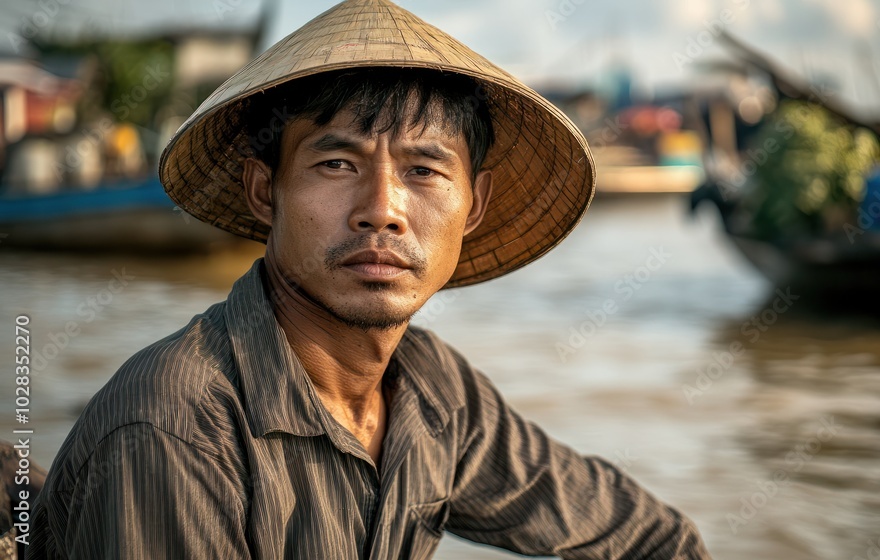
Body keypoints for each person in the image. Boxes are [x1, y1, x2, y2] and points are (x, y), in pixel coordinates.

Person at [27, 1, 711, 558]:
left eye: (424, 170)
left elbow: (652, 537)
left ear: (474, 206)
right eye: (336, 164)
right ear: (265, 192)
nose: (382, 209)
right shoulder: (175, 427)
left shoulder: (434, 392)